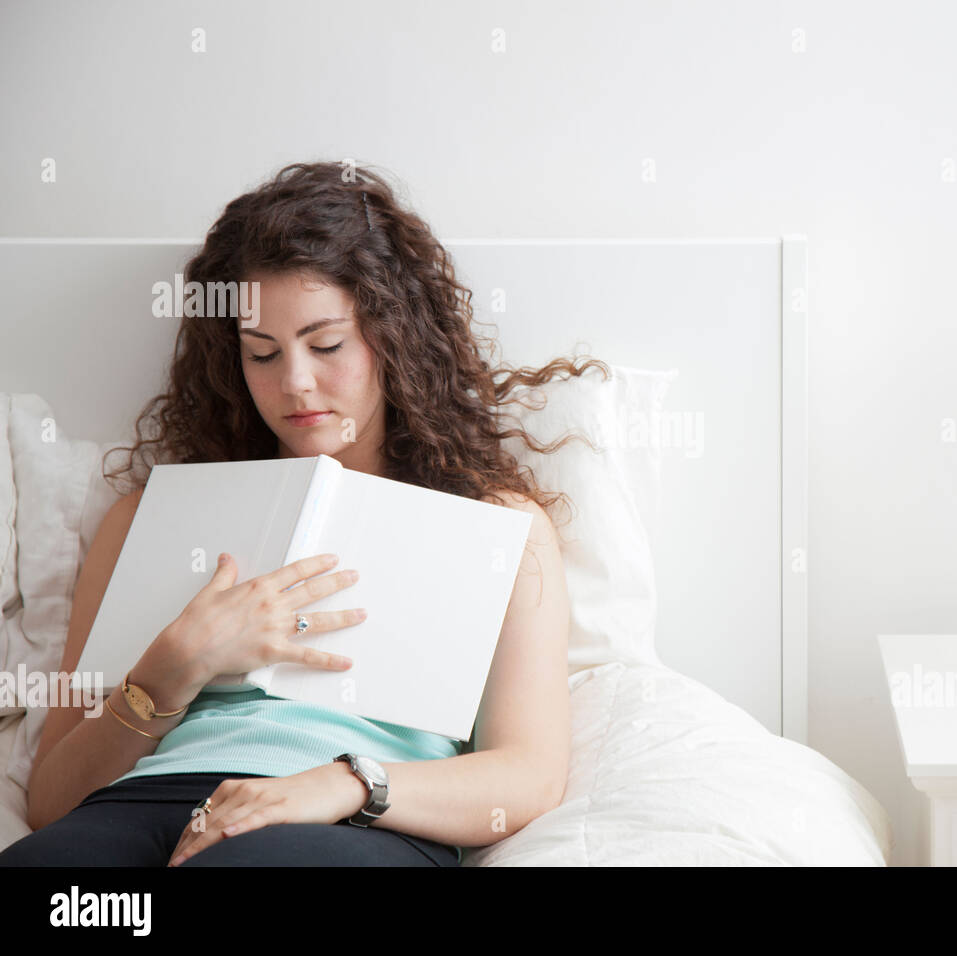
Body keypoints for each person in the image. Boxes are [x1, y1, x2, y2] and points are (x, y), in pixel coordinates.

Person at [0, 161, 606, 867]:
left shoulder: (496, 526)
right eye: (262, 353)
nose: (294, 383)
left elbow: (528, 774)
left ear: (393, 337)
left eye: (326, 346)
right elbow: (49, 805)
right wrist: (170, 670)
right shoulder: (146, 518)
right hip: (137, 809)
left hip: (344, 823)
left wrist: (346, 784)